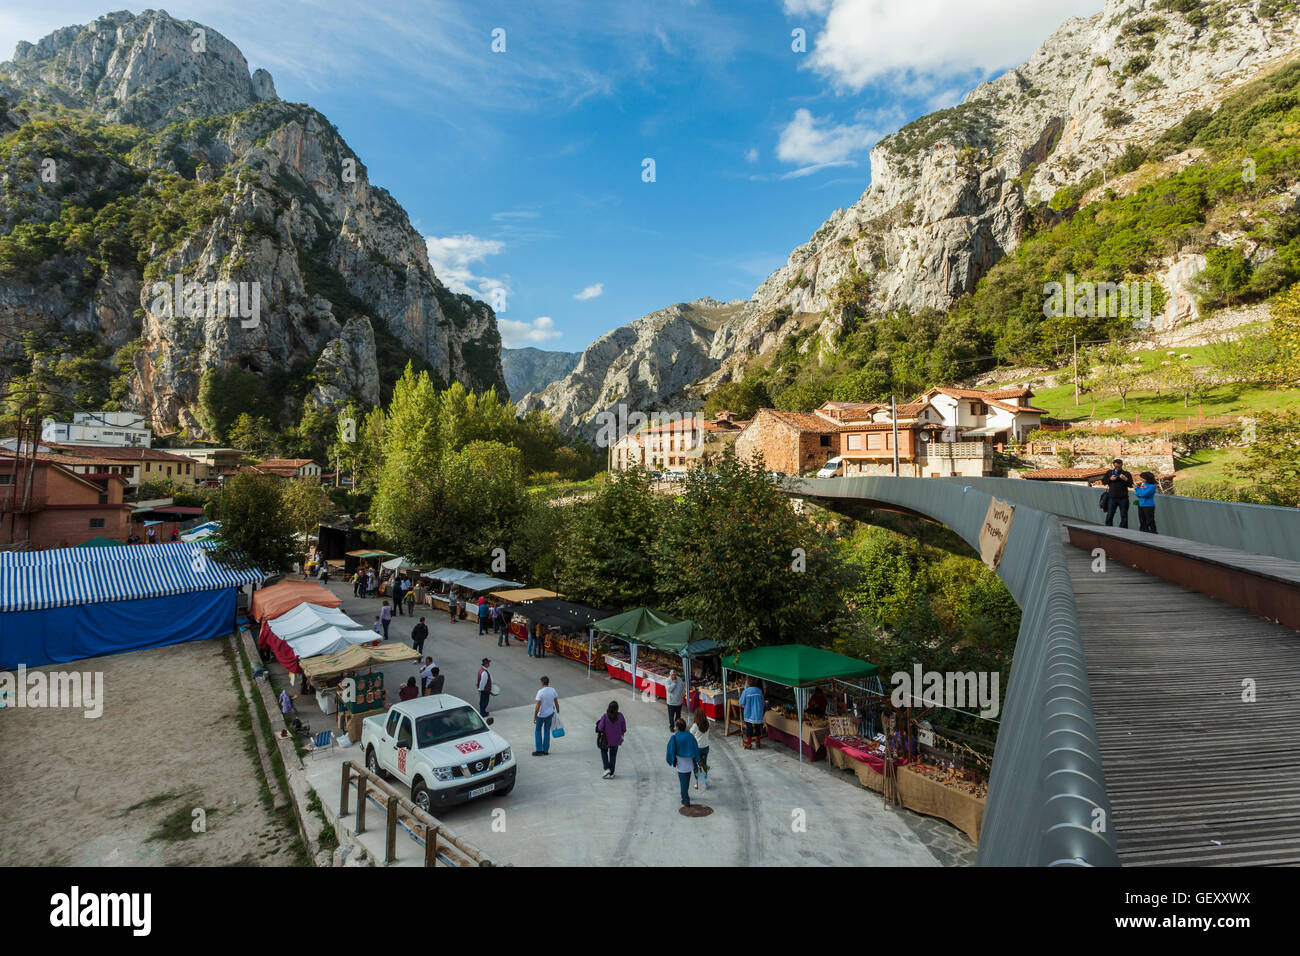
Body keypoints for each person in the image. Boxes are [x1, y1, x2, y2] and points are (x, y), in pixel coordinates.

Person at [666, 718, 700, 807]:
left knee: (682, 782)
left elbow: (670, 751)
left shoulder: (674, 737)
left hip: (680, 764)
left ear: (677, 727)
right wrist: (698, 760)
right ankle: (684, 795)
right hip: (689, 764)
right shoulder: (690, 736)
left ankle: (686, 800)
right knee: (686, 782)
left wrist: (671, 760)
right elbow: (696, 749)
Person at [596, 700, 627, 779]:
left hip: (606, 739)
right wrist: (622, 734)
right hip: (616, 740)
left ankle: (606, 769)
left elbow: (600, 728)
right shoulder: (620, 716)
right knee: (613, 755)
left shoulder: (605, 716)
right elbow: (624, 728)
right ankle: (612, 772)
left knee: (603, 751)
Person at [1103, 458, 1134, 529]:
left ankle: (1123, 530)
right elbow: (1104, 482)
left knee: (1124, 515)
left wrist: (1125, 479)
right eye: (1116, 467)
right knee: (1110, 514)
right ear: (1113, 465)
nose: (1117, 468)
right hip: (1112, 497)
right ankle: (1108, 529)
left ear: (1122, 465)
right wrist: (1110, 479)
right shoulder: (1109, 472)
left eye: (1119, 467)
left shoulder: (1126, 473)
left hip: (1123, 498)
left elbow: (1131, 485)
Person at [532, 675, 560, 755]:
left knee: (538, 730)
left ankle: (539, 750)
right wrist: (557, 711)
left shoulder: (540, 692)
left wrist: (535, 717)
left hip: (541, 715)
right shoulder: (553, 690)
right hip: (550, 713)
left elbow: (537, 706)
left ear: (542, 683)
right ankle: (546, 750)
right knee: (547, 731)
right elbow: (556, 702)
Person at [740, 677, 765, 750]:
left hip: (749, 713)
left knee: (749, 728)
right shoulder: (759, 691)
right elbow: (763, 703)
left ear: (747, 682)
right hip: (757, 713)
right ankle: (758, 742)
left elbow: (741, 703)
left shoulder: (746, 691)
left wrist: (740, 702)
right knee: (757, 727)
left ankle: (749, 742)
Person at [690, 708, 711, 791]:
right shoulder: (708, 723)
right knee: (704, 765)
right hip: (706, 747)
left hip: (697, 748)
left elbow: (690, 735)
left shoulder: (695, 726)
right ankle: (704, 782)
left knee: (695, 766)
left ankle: (699, 782)